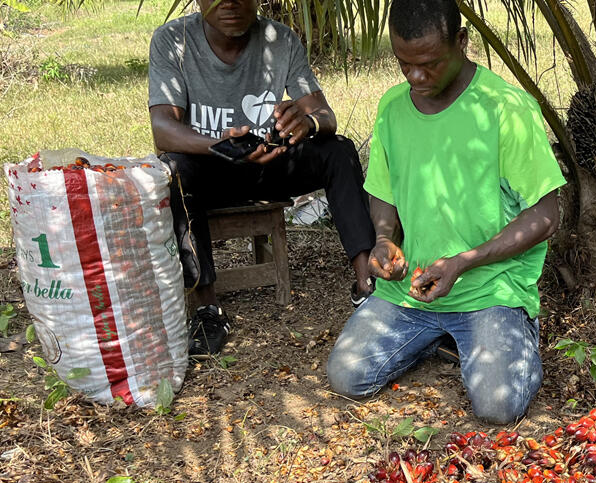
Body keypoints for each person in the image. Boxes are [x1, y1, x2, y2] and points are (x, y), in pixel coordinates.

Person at [324, 0, 565, 425]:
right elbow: (383, 190)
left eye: (430, 64)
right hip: (413, 291)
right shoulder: (394, 108)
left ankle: (501, 333)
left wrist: (465, 261)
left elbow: (547, 214)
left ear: (461, 41)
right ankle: (443, 337)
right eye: (404, 64)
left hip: (490, 289)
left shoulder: (505, 108)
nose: (416, 77)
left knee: (498, 407)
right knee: (347, 375)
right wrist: (383, 238)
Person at [148, 0, 376, 356]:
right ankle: (207, 308)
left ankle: (367, 283)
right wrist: (219, 146)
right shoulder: (173, 40)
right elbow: (163, 129)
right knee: (174, 169)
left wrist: (307, 122)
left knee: (339, 150)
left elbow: (324, 114)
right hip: (209, 170)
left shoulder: (279, 39)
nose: (231, 2)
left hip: (270, 165)